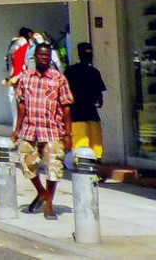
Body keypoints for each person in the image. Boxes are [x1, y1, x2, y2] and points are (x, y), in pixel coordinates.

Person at [15, 42, 73, 220]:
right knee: (27, 163)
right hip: (30, 129)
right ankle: (41, 192)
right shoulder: (26, 77)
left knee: (53, 168)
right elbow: (22, 105)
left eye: (46, 55)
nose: (43, 58)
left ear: (50, 58)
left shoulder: (58, 78)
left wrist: (68, 134)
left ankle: (49, 205)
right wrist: (17, 129)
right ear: (35, 57)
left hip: (52, 130)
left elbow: (66, 107)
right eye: (40, 55)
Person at [65, 42, 107, 161]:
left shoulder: (72, 71)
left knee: (88, 147)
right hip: (83, 115)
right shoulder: (92, 72)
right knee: (88, 147)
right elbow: (100, 97)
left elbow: (99, 96)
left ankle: (89, 166)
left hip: (84, 115)